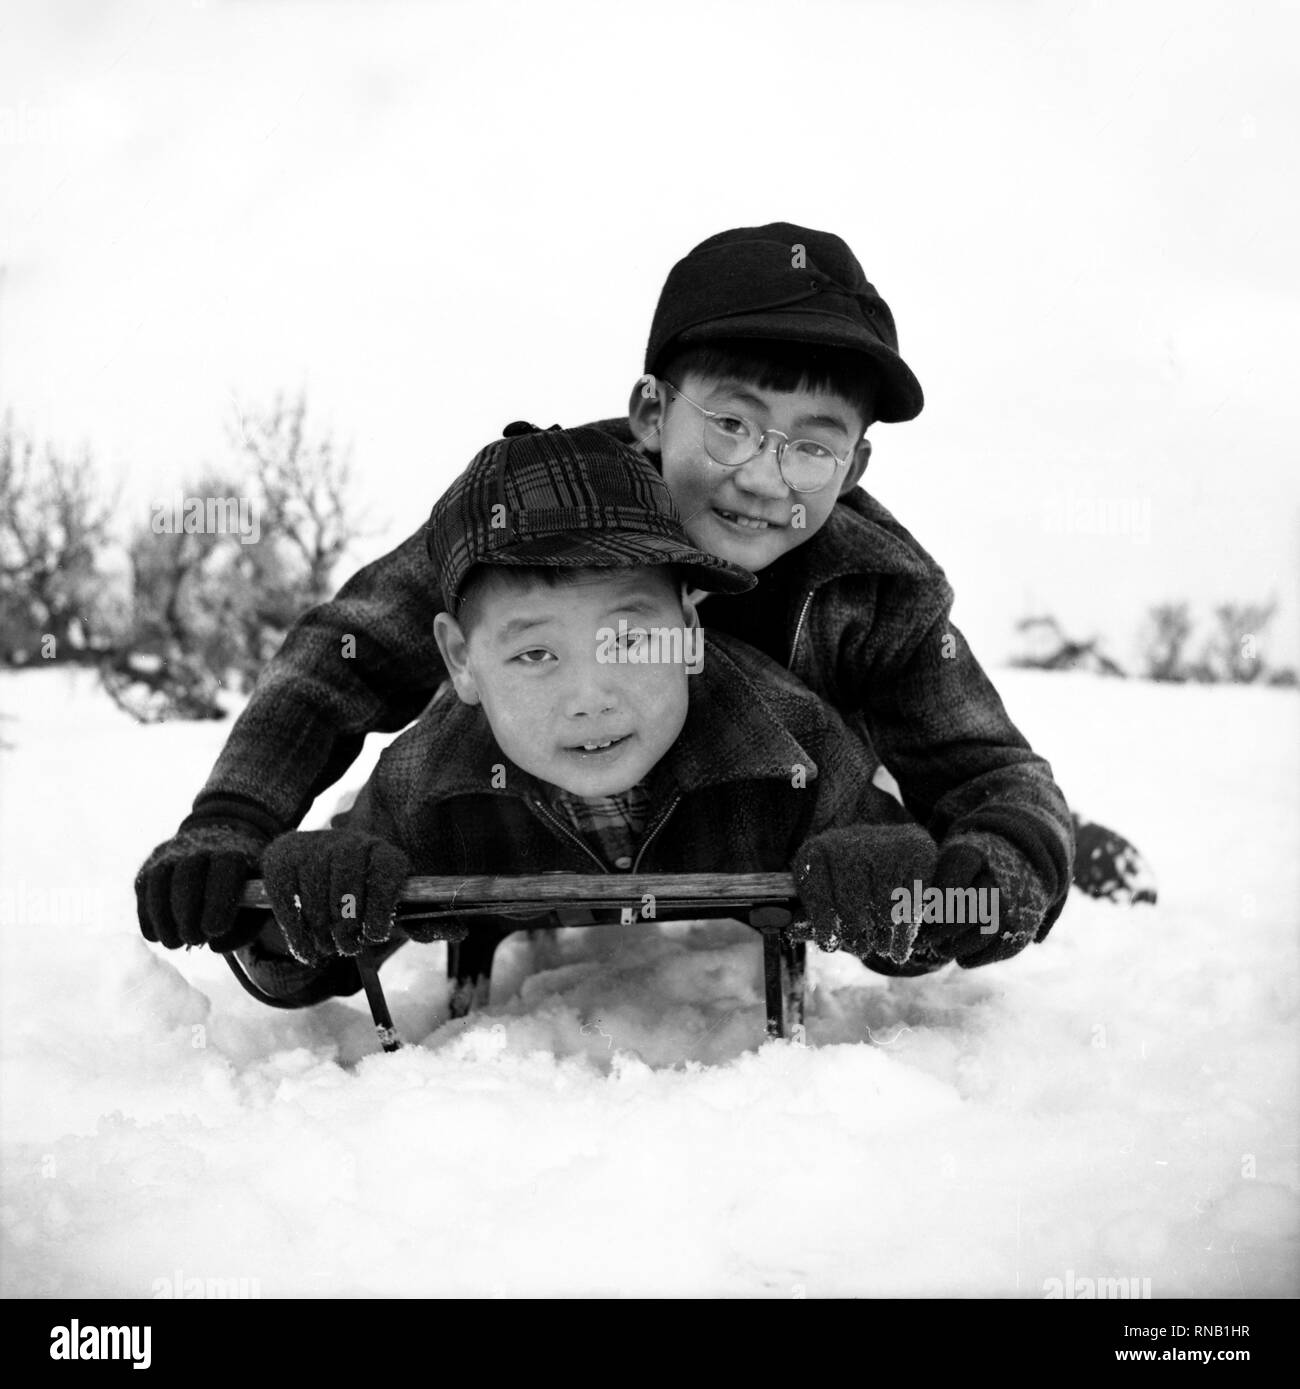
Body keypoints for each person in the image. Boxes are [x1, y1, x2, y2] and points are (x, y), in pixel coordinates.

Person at [137, 221, 1148, 972]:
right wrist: (231, 824)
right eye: (734, 425)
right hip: (541, 801)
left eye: (813, 445)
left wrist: (994, 866)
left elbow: (983, 761)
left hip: (794, 808)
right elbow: (344, 657)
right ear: (652, 412)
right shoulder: (531, 522)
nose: (767, 476)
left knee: (988, 818)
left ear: (854, 462)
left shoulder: (872, 585)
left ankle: (1078, 838)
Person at [229, 424, 1036, 1009]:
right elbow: (301, 966)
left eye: (630, 638)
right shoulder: (427, 781)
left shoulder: (791, 742)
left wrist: (899, 889)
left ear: (689, 630)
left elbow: (918, 931)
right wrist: (295, 906)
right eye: (535, 655)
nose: (591, 696)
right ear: (461, 661)